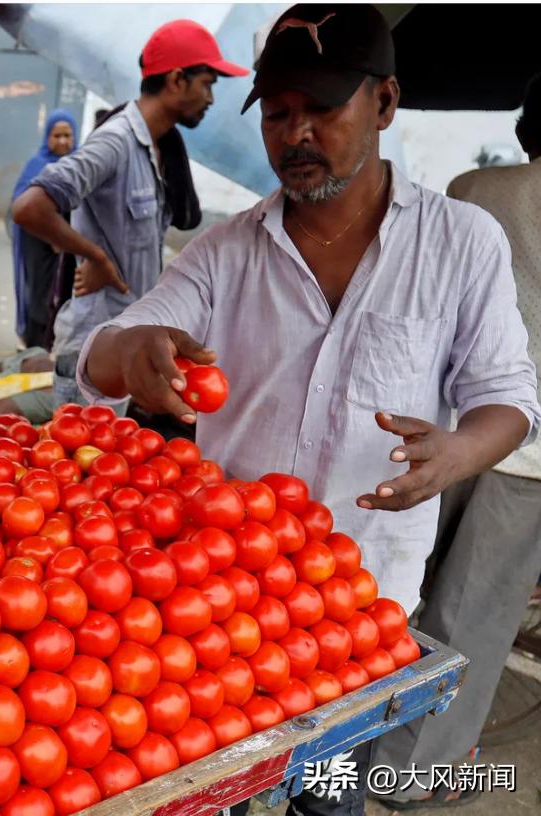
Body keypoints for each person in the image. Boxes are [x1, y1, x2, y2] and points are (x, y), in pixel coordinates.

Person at [79, 7, 540, 814]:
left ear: (386, 102)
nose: (297, 133)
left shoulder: (463, 241)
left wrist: (458, 454)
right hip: (214, 599)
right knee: (207, 784)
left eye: (323, 109)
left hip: (355, 610)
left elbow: (508, 398)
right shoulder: (226, 252)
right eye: (280, 112)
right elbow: (107, 345)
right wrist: (137, 351)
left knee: (326, 794)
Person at [369, 72, 541, 810]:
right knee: (472, 615)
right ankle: (412, 774)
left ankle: (342, 737)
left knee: (396, 590)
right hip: (529, 456)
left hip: (441, 430)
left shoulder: (479, 190)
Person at [13, 19, 248, 407]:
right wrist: (96, 256)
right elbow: (30, 207)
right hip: (95, 348)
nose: (210, 99)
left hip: (126, 340)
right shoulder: (116, 140)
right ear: (176, 80)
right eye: (207, 83)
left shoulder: (156, 148)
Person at [11, 109, 78, 349]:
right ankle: (35, 346)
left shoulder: (81, 164)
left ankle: (54, 346)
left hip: (68, 245)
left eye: (67, 135)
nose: (62, 141)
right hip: (38, 244)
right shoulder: (36, 165)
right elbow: (20, 206)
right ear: (47, 137)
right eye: (56, 135)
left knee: (64, 296)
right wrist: (50, 235)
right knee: (41, 293)